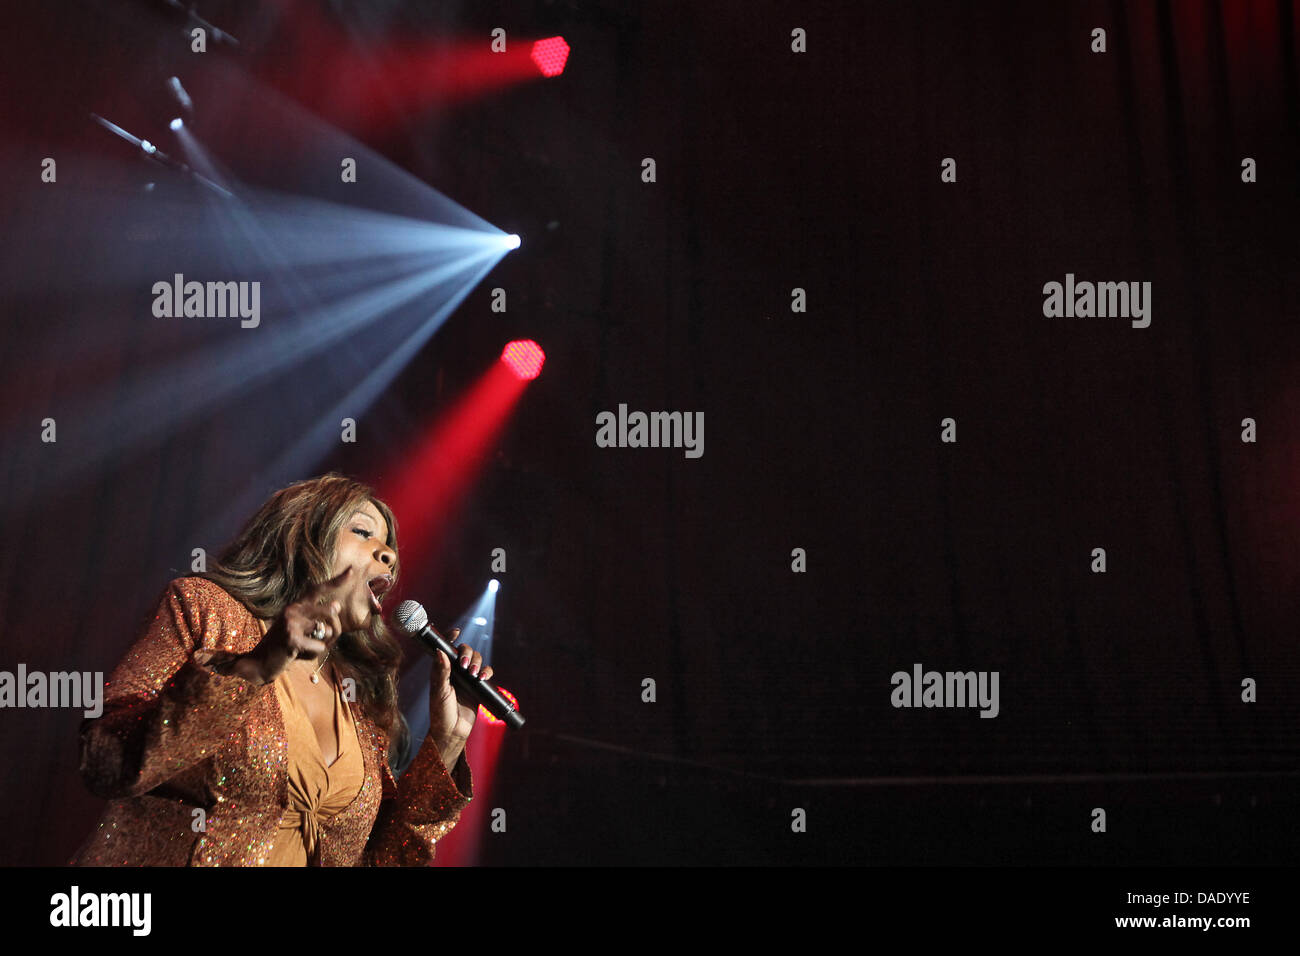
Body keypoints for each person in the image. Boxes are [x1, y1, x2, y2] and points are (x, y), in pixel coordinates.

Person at [70, 472, 491, 866]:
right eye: (363, 532)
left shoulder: (360, 697)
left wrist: (446, 741)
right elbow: (107, 759)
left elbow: (382, 860)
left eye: (390, 548)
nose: (389, 555)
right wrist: (256, 666)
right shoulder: (206, 611)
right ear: (300, 536)